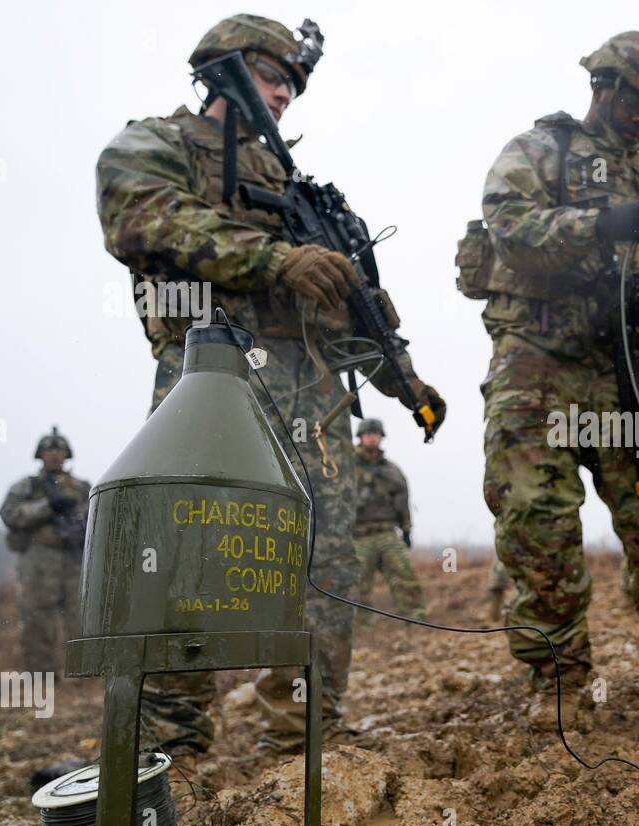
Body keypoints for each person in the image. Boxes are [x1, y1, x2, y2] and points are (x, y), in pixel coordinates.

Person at [95, 15, 445, 755]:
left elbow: (357, 310)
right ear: (223, 70)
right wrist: (270, 259)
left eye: (292, 84)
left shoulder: (300, 192)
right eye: (271, 77)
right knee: (187, 556)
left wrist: (406, 381)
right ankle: (172, 745)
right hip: (211, 380)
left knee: (328, 563)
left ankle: (302, 737)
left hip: (314, 399)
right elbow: (140, 216)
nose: (284, 95)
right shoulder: (157, 144)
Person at [464, 31, 639, 727]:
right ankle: (559, 687)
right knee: (538, 529)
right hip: (535, 371)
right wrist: (600, 226)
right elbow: (511, 227)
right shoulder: (538, 152)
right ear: (605, 87)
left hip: (624, 375)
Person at [0, 428, 89, 674]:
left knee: (81, 615)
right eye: (49, 450)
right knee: (37, 617)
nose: (54, 455)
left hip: (74, 557)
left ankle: (84, 672)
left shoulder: (81, 488)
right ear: (40, 455)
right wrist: (47, 507)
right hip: (39, 558)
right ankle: (42, 674)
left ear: (67, 454)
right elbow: (9, 514)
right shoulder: (27, 487)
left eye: (58, 450)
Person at [352, 418, 426, 619]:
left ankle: (416, 620)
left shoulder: (391, 470)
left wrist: (407, 529)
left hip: (387, 533)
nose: (372, 438)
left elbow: (402, 499)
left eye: (376, 434)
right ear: (360, 437)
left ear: (381, 437)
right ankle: (361, 628)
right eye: (368, 434)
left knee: (405, 575)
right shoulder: (346, 465)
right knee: (356, 584)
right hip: (357, 535)